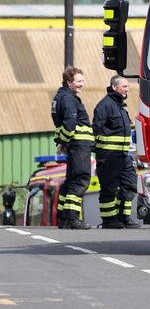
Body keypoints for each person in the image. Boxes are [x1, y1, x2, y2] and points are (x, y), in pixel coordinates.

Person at [93, 75, 140, 229]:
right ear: (114, 87)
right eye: (124, 86)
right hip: (109, 157)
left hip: (124, 156)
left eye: (127, 86)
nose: (127, 89)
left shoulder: (120, 106)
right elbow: (95, 131)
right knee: (109, 188)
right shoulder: (104, 106)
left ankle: (123, 216)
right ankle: (109, 220)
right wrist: (102, 152)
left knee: (131, 184)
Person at [51, 67, 94, 229]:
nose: (82, 85)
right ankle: (72, 218)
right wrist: (63, 142)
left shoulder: (60, 97)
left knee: (71, 179)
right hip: (79, 144)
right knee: (81, 179)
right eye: (79, 81)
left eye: (82, 81)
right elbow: (69, 123)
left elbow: (60, 124)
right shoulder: (69, 99)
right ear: (69, 82)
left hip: (74, 144)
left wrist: (62, 142)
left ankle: (63, 217)